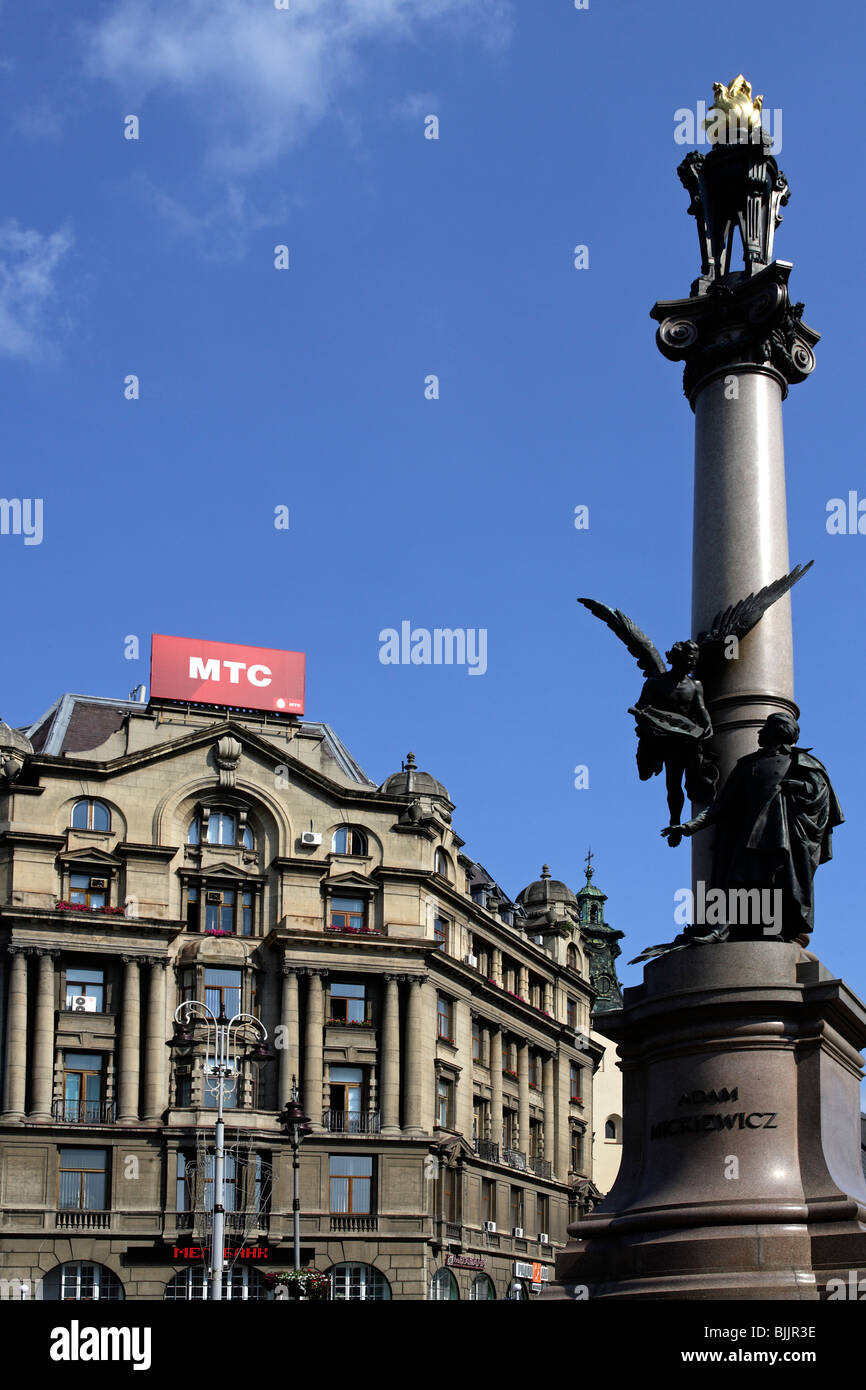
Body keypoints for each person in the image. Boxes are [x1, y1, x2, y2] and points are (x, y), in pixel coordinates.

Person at [662, 712, 842, 943]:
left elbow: (821, 796)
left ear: (778, 732)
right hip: (748, 833)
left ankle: (775, 928)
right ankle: (721, 930)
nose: (759, 732)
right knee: (735, 880)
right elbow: (722, 805)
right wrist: (688, 827)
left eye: (765, 728)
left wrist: (798, 786)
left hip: (783, 833)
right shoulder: (747, 765)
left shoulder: (803, 763)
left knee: (776, 880)